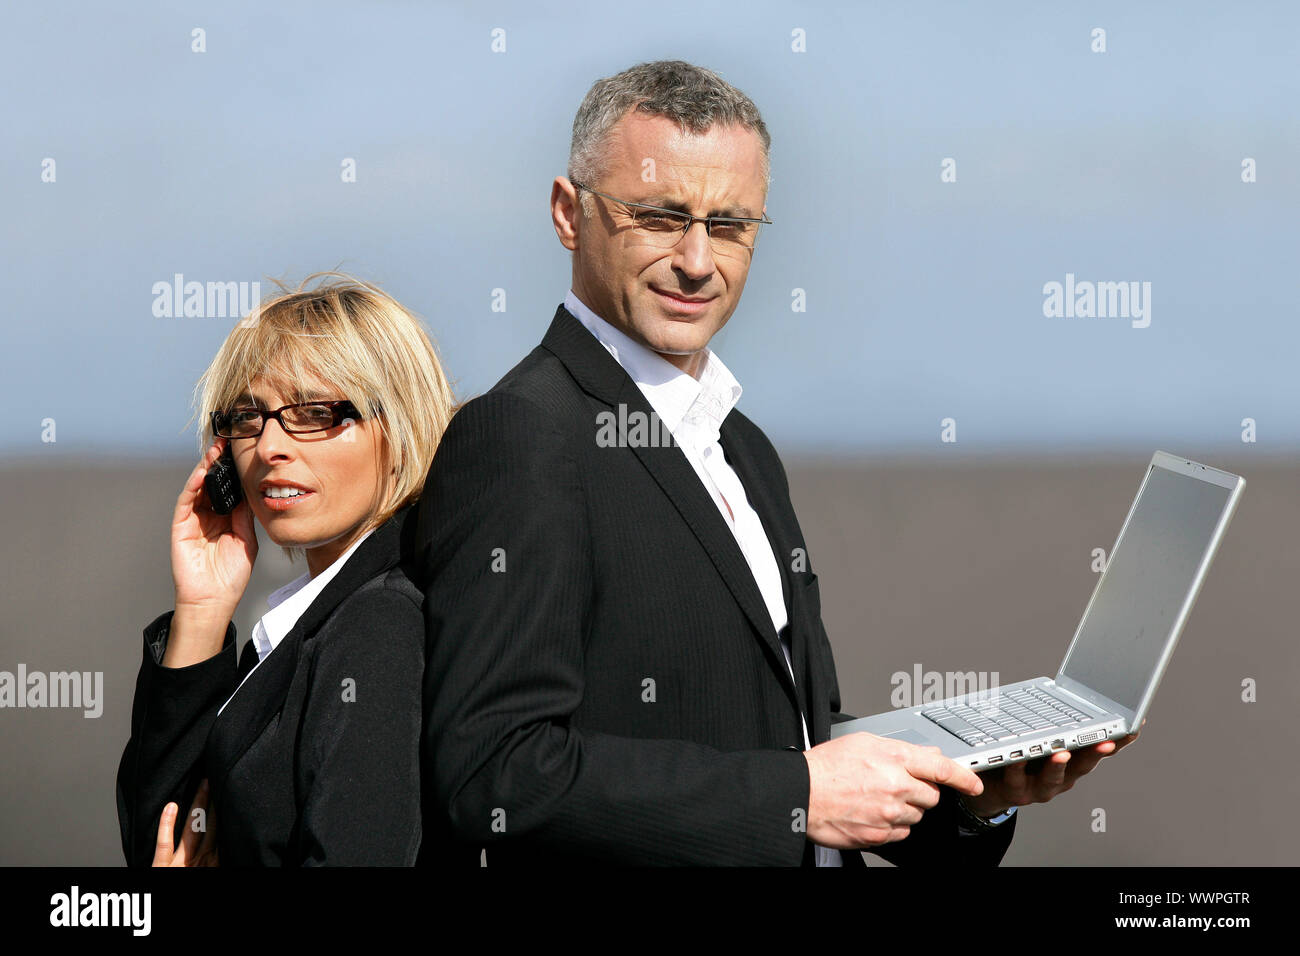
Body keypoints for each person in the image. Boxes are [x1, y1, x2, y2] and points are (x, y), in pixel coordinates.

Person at [409, 60, 1137, 866]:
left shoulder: (742, 445)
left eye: (728, 224)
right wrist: (798, 797)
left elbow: (791, 738)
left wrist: (962, 796)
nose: (696, 260)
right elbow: (494, 773)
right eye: (659, 216)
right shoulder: (521, 436)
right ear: (567, 213)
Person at [116, 272, 469, 866]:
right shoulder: (322, 613)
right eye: (249, 417)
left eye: (313, 412)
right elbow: (164, 839)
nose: (272, 445)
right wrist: (202, 611)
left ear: (400, 427)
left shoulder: (380, 625)